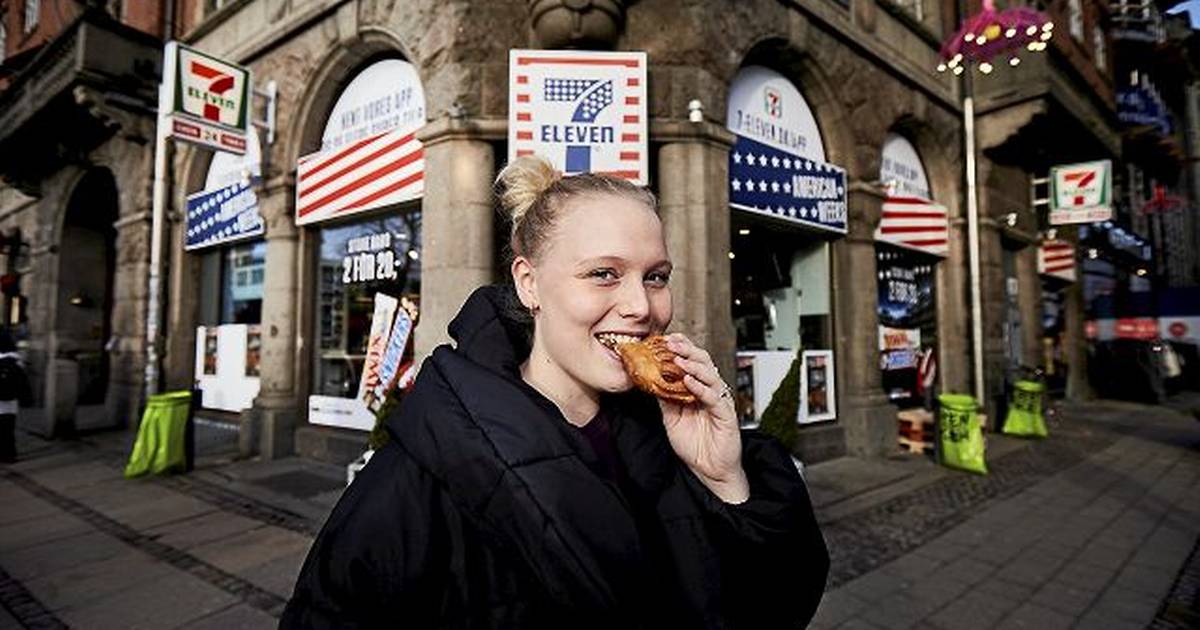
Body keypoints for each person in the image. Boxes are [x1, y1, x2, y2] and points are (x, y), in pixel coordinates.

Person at [282, 156, 829, 629]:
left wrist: (725, 482)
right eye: (604, 274)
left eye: (656, 276)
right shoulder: (416, 477)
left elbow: (768, 615)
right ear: (528, 283)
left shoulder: (674, 437)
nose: (642, 306)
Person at [0, 329, 31, 463]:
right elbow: (23, 383)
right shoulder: (17, 361)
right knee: (8, 429)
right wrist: (26, 399)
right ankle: (10, 455)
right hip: (11, 403)